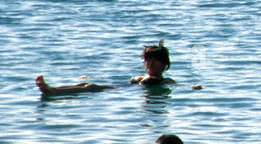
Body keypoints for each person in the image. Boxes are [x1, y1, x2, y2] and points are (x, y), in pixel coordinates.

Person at [36, 42, 200, 95]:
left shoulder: (165, 80)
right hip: (123, 89)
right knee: (87, 85)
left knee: (90, 88)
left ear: (164, 65)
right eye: (147, 60)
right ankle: (52, 89)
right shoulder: (139, 77)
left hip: (122, 91)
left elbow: (177, 86)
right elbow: (122, 83)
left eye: (155, 61)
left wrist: (191, 87)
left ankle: (53, 91)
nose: (150, 64)